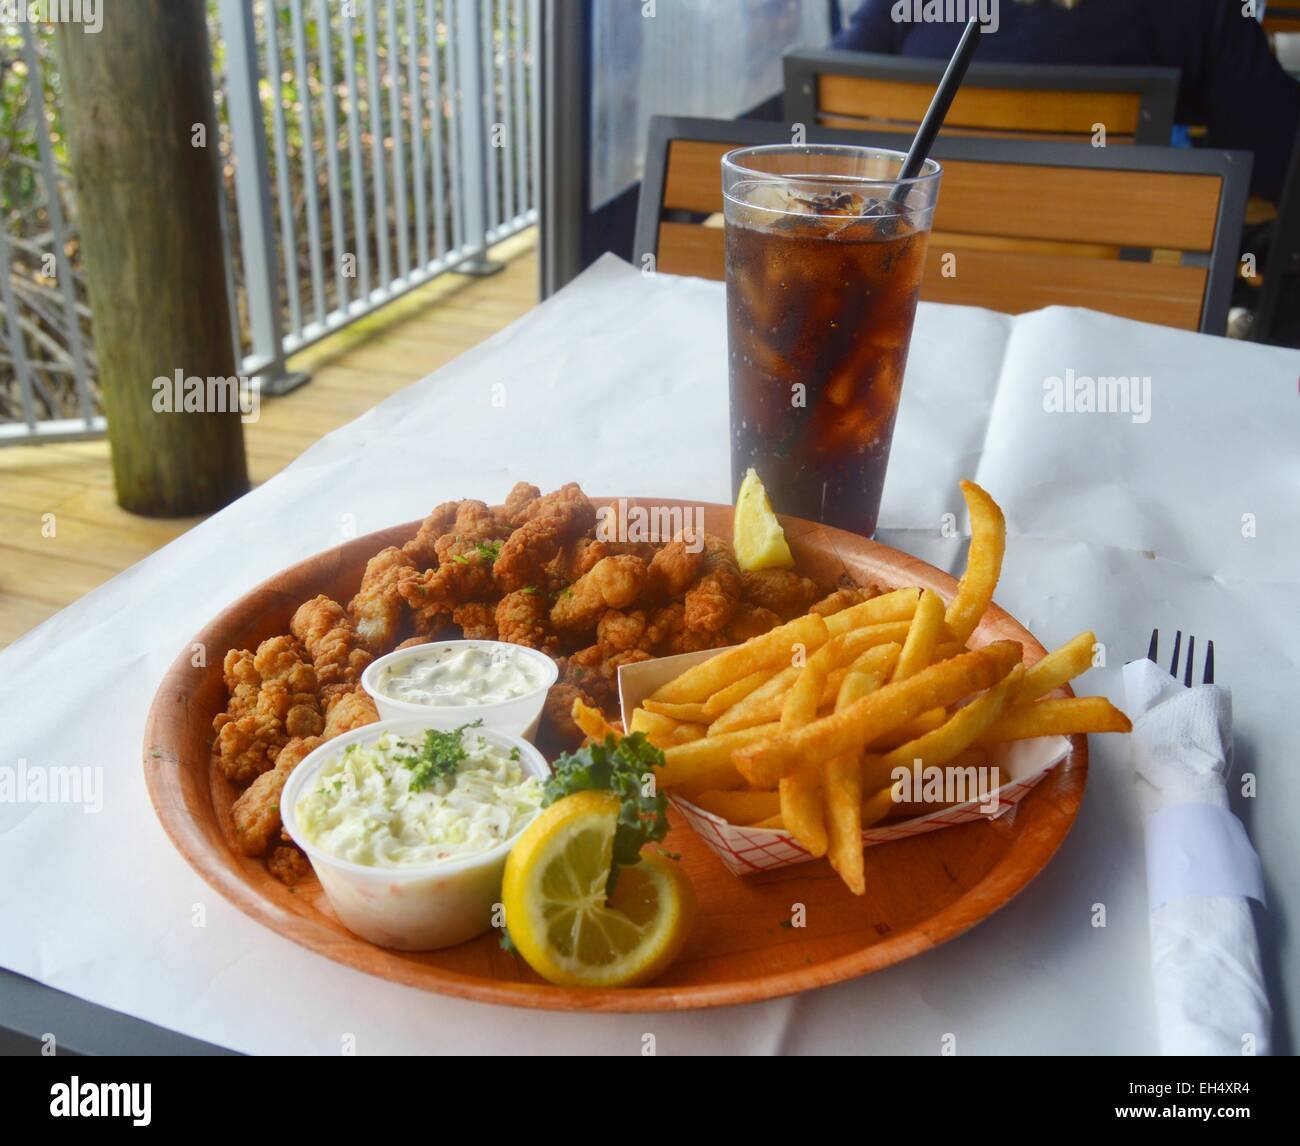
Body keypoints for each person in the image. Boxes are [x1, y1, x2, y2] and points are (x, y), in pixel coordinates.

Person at [833, 0, 1300, 201]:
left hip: (924, 295)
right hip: (1124, 308)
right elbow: (1280, 165)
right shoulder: (1197, 12)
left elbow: (823, 107)